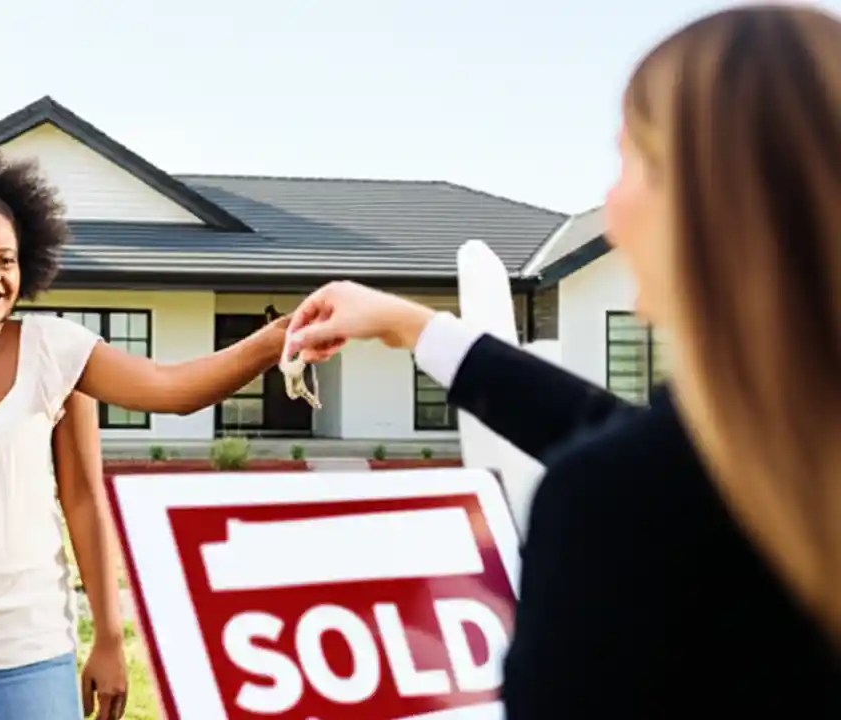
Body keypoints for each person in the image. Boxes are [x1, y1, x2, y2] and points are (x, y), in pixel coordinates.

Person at [283, 5, 841, 718]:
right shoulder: (771, 467)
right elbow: (640, 439)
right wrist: (416, 327)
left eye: (630, 160)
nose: (610, 208)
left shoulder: (618, 511)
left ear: (704, 198)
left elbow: (645, 468)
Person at [0, 140, 288, 720]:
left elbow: (147, 421)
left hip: (25, 642)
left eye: (5, 260)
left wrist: (277, 338)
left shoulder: (55, 350)